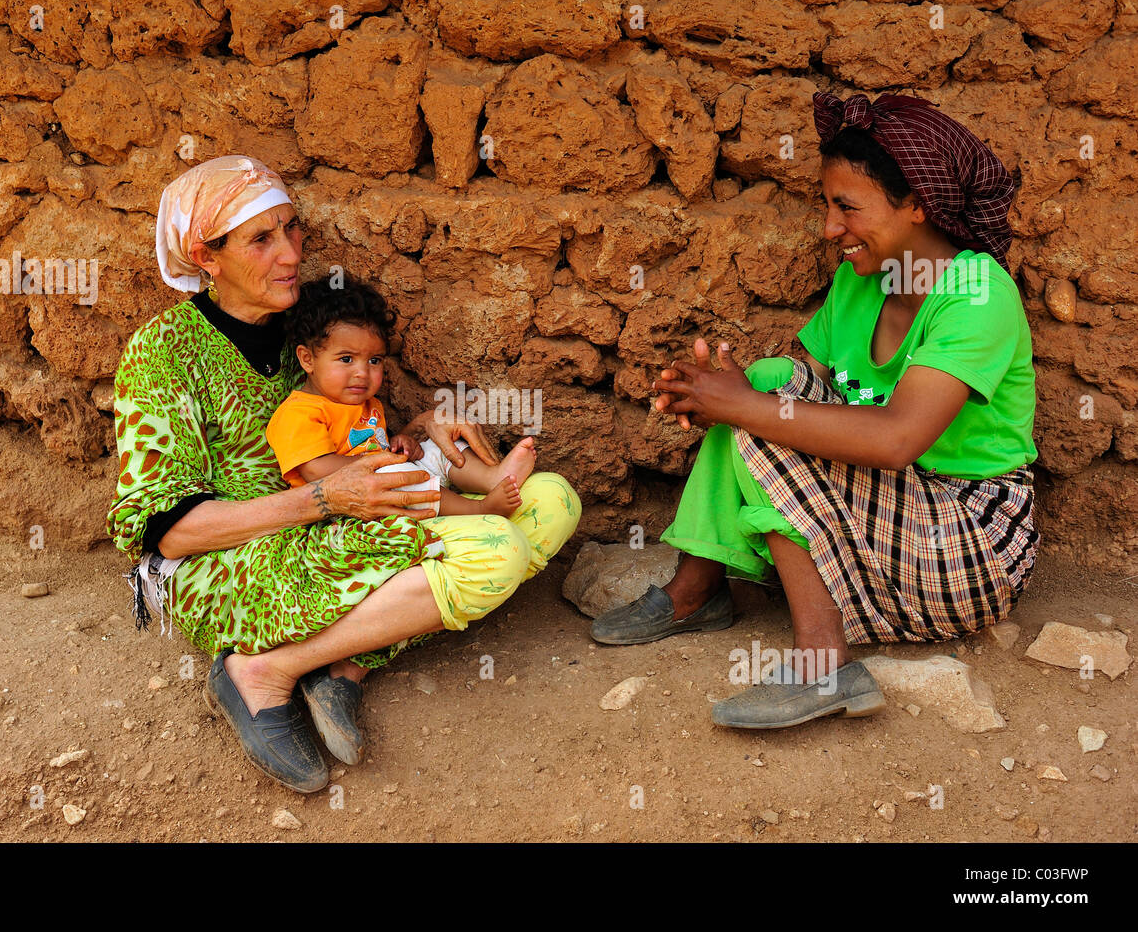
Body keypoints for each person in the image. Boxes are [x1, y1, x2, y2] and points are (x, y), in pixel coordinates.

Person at [108, 155, 580, 792]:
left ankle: (343, 662)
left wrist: (418, 433)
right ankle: (262, 672)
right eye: (262, 238)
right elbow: (166, 534)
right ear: (205, 256)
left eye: (292, 229)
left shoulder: (309, 324)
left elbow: (354, 433)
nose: (290, 253)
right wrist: (327, 498)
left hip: (339, 524)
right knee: (495, 550)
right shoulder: (163, 352)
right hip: (234, 558)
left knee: (551, 500)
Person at [590, 92, 1039, 730]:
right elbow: (797, 382)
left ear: (917, 203)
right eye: (828, 206)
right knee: (770, 386)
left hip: (971, 540)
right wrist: (724, 390)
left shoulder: (977, 293)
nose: (831, 229)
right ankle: (701, 587)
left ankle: (821, 663)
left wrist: (746, 407)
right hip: (891, 512)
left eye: (847, 207)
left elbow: (895, 441)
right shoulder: (863, 278)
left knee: (766, 420)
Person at [266, 281, 537, 517]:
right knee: (388, 477)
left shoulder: (366, 405)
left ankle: (491, 478)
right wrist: (387, 462)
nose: (362, 372)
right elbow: (318, 470)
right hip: (349, 507)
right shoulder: (298, 413)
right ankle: (478, 510)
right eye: (346, 359)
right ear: (307, 359)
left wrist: (399, 444)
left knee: (437, 445)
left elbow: (376, 444)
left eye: (374, 360)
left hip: (388, 475)